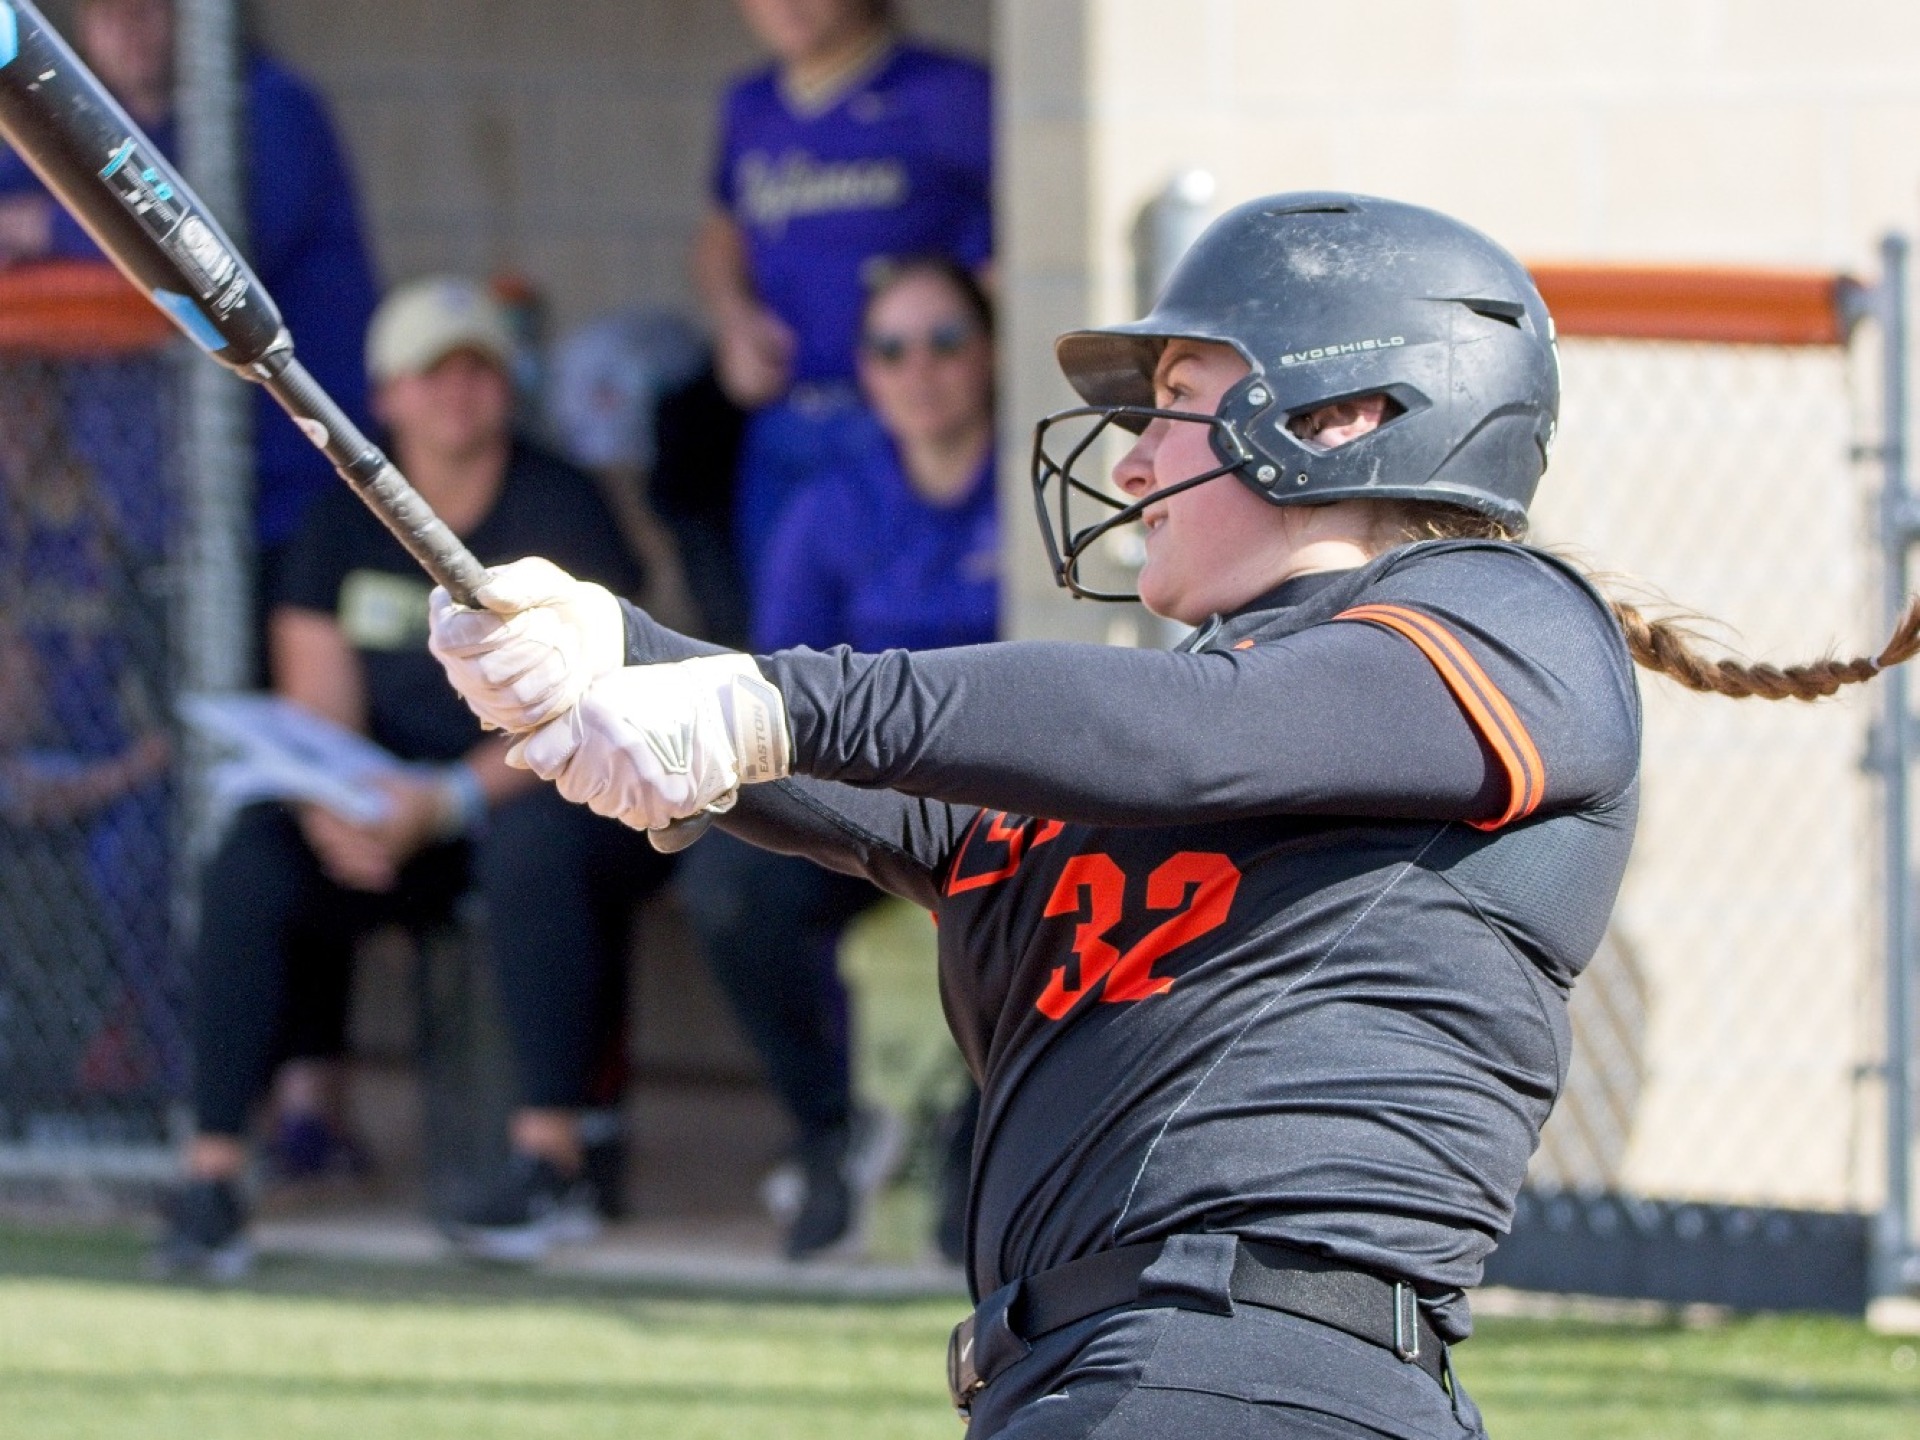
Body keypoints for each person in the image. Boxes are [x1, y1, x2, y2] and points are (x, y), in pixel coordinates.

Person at [427, 193, 1920, 1436]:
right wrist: (604, 651)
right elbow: (927, 785)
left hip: (1244, 1375)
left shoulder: (1507, 622)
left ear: (1344, 418)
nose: (1134, 459)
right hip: (1098, 1381)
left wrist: (773, 702)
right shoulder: (1177, 721)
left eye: (1183, 408)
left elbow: (1200, 739)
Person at [156, 277, 672, 1279]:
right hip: (390, 811)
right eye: (434, 374)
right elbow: (317, 712)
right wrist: (340, 807)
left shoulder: (558, 504)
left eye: (479, 369)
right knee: (253, 860)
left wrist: (451, 801)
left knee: (537, 849)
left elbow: (598, 699)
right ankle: (214, 1176)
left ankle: (548, 1165)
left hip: (540, 792)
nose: (459, 393)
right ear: (386, 396)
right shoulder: (339, 521)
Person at [676, 256, 997, 1260]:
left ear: (987, 353)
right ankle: (826, 1128)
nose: (920, 368)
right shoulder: (829, 506)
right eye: (890, 347)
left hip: (1006, 799)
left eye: (944, 339)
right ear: (862, 370)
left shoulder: (1032, 489)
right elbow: (786, 693)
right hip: (870, 802)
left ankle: (978, 1136)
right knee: (726, 887)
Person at [0, 0, 379, 637]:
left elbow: (204, 246)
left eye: (149, 8)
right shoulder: (77, 113)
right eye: (107, 12)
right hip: (151, 501)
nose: (129, 27)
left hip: (297, 485)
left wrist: (44, 225)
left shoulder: (269, 107)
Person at [695, 0, 992, 584]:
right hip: (786, 416)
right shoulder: (749, 104)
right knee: (785, 644)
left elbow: (1025, 246)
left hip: (907, 422)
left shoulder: (948, 92)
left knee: (902, 641)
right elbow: (720, 234)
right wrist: (736, 317)